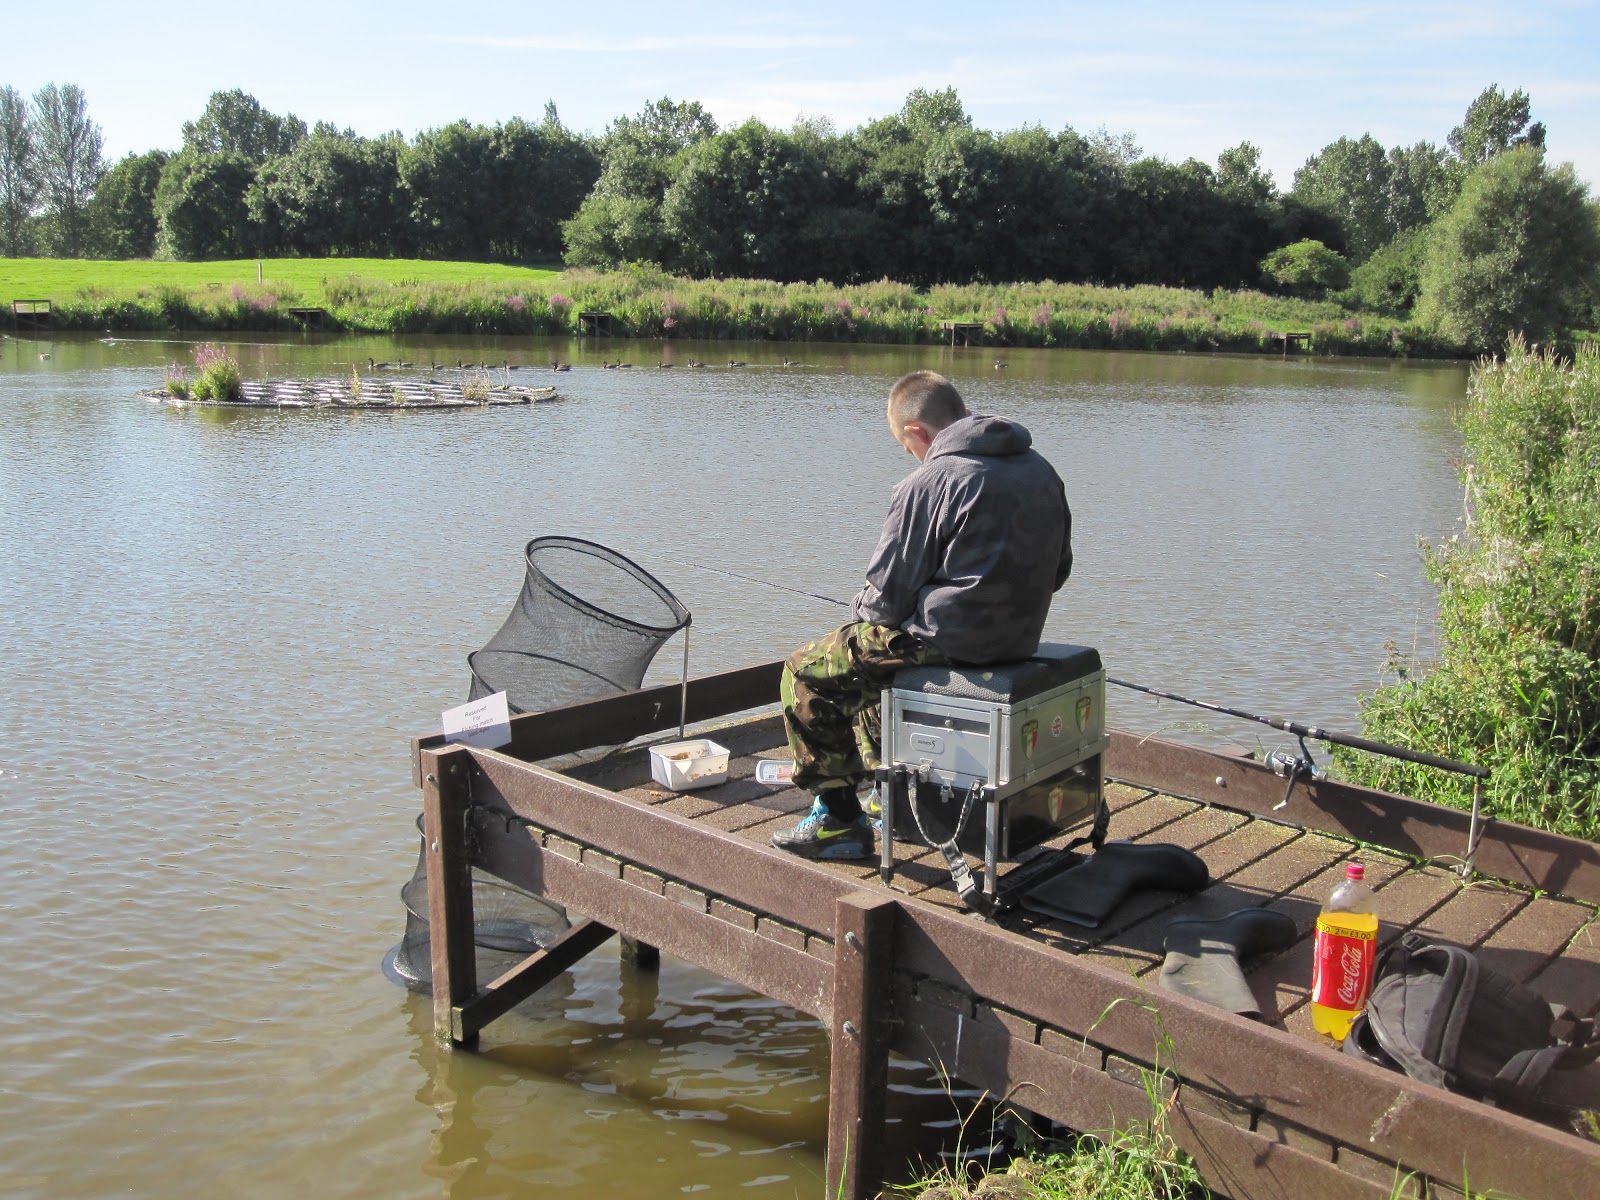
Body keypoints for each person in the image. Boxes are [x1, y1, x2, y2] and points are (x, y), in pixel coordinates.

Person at [772, 370, 1073, 860]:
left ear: (916, 430)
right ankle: (886, 799)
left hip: (948, 641)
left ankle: (838, 819)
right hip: (1019, 640)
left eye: (904, 444)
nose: (910, 454)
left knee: (805, 672)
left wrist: (860, 609)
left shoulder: (930, 481)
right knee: (873, 660)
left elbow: (883, 602)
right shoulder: (1041, 470)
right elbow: (1059, 571)